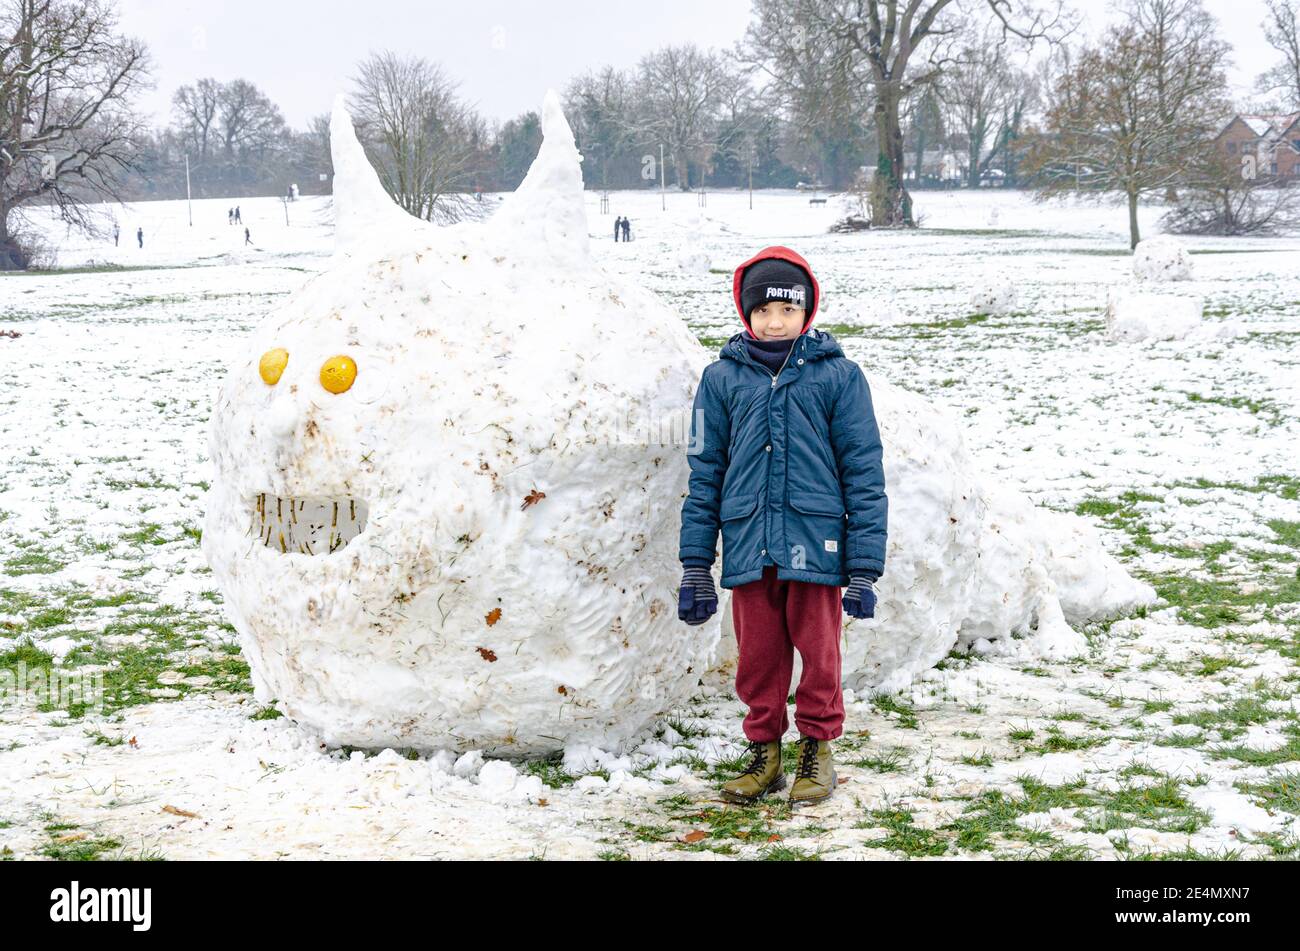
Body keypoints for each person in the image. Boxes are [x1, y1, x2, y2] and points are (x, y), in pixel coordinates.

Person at [677, 246, 887, 808]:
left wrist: (864, 567)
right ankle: (764, 751)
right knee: (758, 656)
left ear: (807, 311)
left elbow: (864, 471)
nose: (775, 322)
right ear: (745, 313)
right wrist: (696, 564)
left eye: (787, 311)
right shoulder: (720, 380)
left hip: (817, 542)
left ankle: (818, 749)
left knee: (820, 654)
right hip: (748, 539)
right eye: (763, 311)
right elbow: (705, 473)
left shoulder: (839, 377)